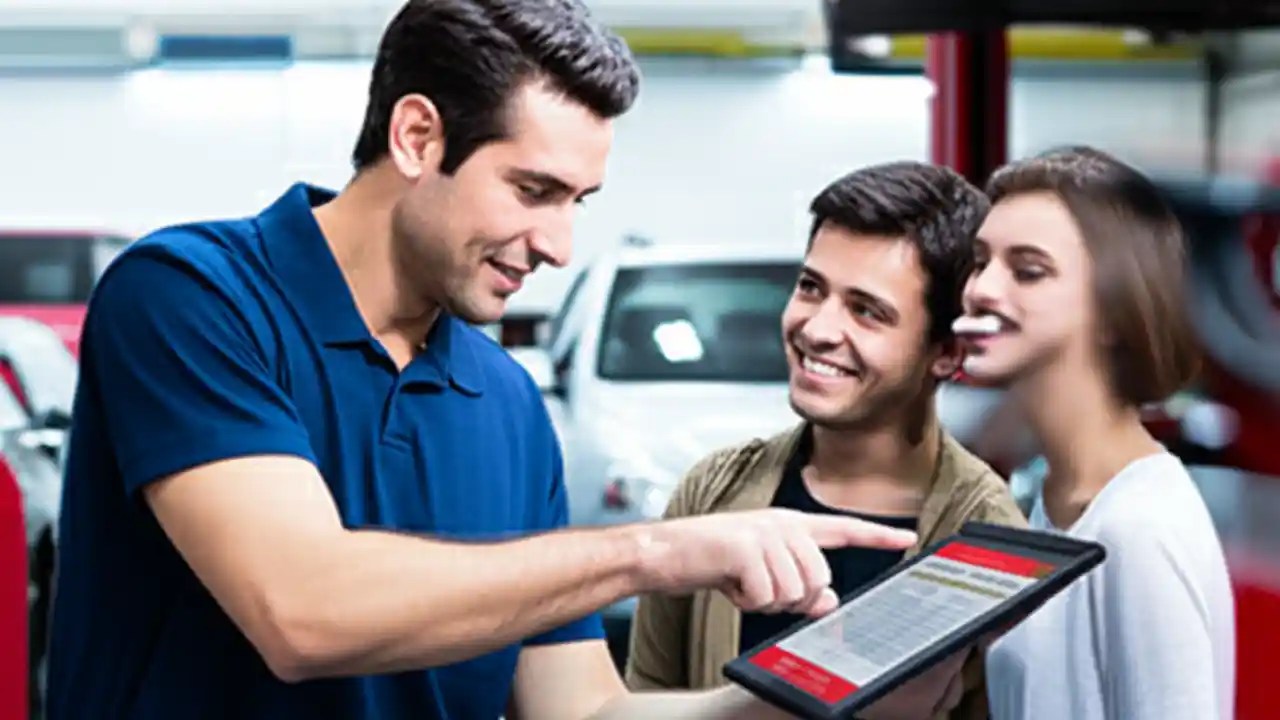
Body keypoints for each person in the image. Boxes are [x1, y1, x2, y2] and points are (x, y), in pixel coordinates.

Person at [43, 2, 922, 719]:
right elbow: (302, 612)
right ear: (417, 137)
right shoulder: (192, 296)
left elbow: (578, 709)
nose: (559, 245)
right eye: (534, 191)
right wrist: (658, 551)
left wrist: (797, 699)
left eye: (577, 201)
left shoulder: (504, 397)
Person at [625, 161, 1028, 720]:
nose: (816, 329)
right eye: (811, 288)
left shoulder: (988, 541)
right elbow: (642, 696)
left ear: (947, 352)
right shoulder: (714, 491)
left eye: (867, 311)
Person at [956, 146, 1236, 720]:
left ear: (1115, 308)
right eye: (981, 262)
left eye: (1028, 271)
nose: (980, 289)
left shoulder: (1139, 528)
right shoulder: (1055, 502)